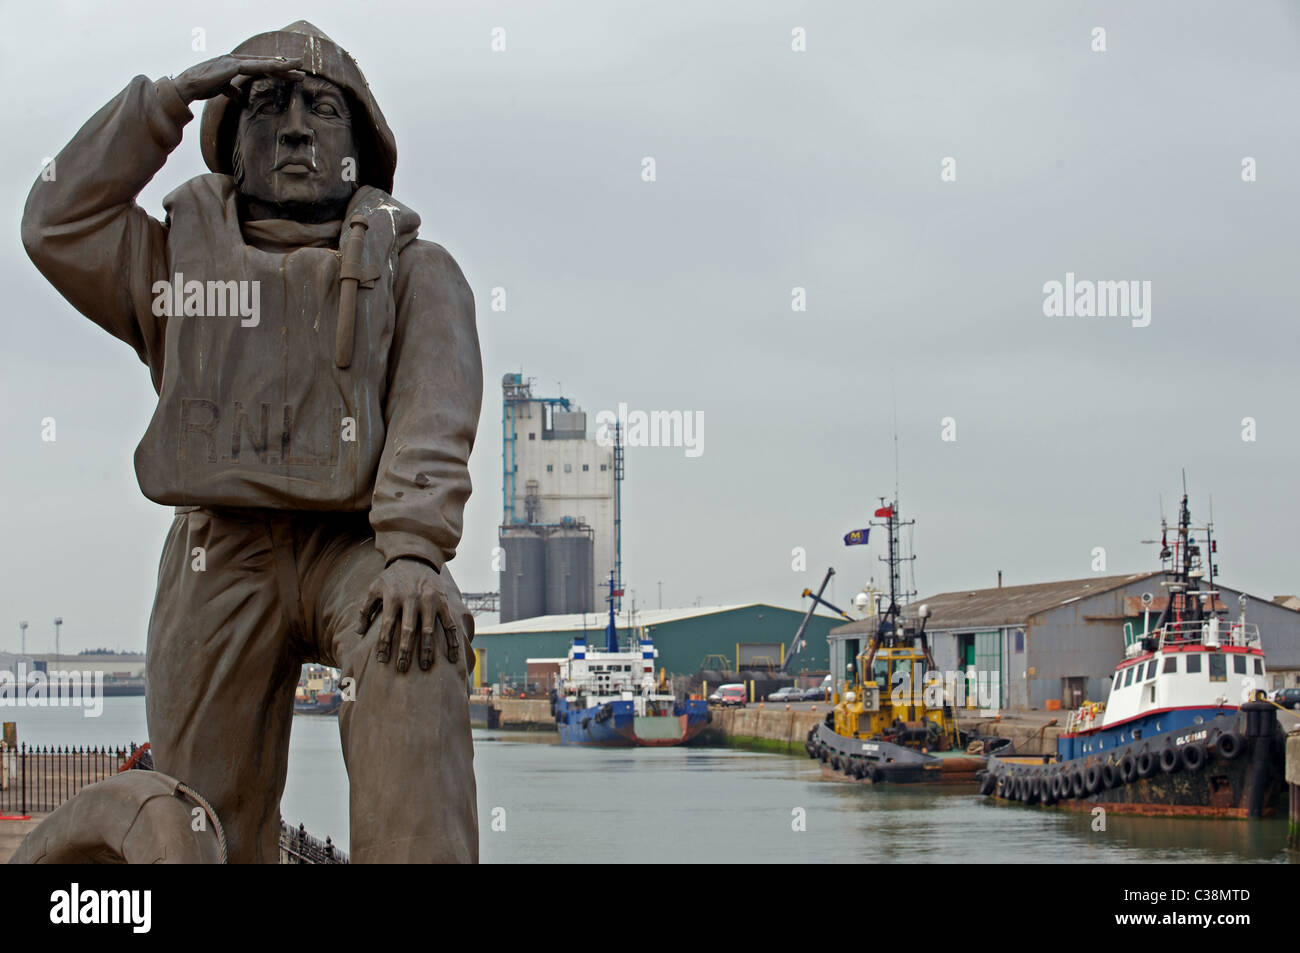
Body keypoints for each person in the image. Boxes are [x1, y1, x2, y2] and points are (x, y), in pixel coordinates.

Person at [21, 21, 482, 863]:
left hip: (365, 545)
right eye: (269, 105)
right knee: (203, 806)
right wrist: (165, 100)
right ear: (231, 143)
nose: (299, 127)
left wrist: (416, 549)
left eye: (323, 109)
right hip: (219, 548)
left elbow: (434, 411)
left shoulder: (417, 272)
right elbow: (54, 220)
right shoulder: (171, 267)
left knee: (411, 644)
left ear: (361, 147)